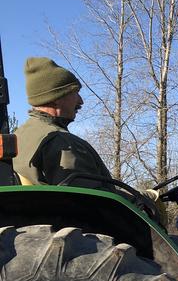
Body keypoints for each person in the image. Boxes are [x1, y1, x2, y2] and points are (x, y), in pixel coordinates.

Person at [14, 57, 113, 186]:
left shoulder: (17, 137)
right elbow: (91, 200)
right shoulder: (62, 142)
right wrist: (146, 197)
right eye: (75, 92)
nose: (81, 101)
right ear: (56, 97)